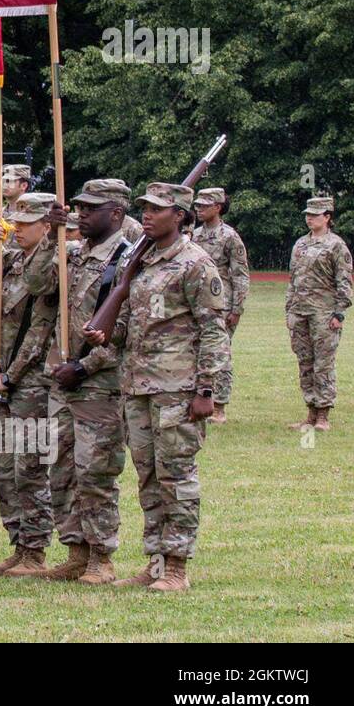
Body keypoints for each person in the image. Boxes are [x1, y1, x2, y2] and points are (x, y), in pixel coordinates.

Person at [84, 182, 229, 592]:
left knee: (176, 477)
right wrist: (107, 334)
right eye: (144, 208)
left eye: (158, 209)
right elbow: (135, 321)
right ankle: (156, 562)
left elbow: (213, 330)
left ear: (179, 216)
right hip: (139, 387)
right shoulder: (142, 261)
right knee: (147, 477)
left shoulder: (195, 264)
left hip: (177, 390)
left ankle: (178, 566)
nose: (147, 215)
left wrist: (205, 390)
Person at [33, 179, 132, 584]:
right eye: (79, 207)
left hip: (99, 383)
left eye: (92, 208)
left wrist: (87, 367)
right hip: (62, 377)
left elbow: (128, 331)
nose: (82, 214)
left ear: (117, 214)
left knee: (95, 471)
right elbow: (38, 284)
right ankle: (75, 549)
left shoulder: (129, 259)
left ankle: (101, 557)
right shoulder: (71, 252)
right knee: (61, 469)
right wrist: (49, 236)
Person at [0, 193, 58, 577]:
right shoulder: (12, 258)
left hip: (30, 381)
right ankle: (18, 544)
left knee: (30, 468)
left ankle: (36, 550)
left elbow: (39, 330)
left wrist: (11, 377)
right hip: (1, 377)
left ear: (47, 224)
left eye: (26, 222)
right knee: (4, 467)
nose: (17, 228)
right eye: (14, 221)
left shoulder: (56, 261)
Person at [285, 196, 352, 432]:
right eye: (307, 214)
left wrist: (339, 313)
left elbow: (344, 283)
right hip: (300, 313)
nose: (309, 218)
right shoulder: (300, 244)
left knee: (323, 363)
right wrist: (289, 310)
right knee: (305, 363)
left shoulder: (336, 245)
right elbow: (293, 280)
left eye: (315, 214)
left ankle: (323, 415)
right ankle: (310, 413)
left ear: (327, 217)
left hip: (324, 314)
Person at [191, 187, 250, 423]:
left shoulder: (229, 237)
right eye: (197, 205)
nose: (199, 209)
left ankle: (219, 407)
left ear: (218, 207)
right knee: (198, 353)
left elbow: (240, 275)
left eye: (204, 205)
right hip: (197, 305)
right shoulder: (194, 236)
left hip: (221, 307)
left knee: (220, 355)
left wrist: (237, 309)